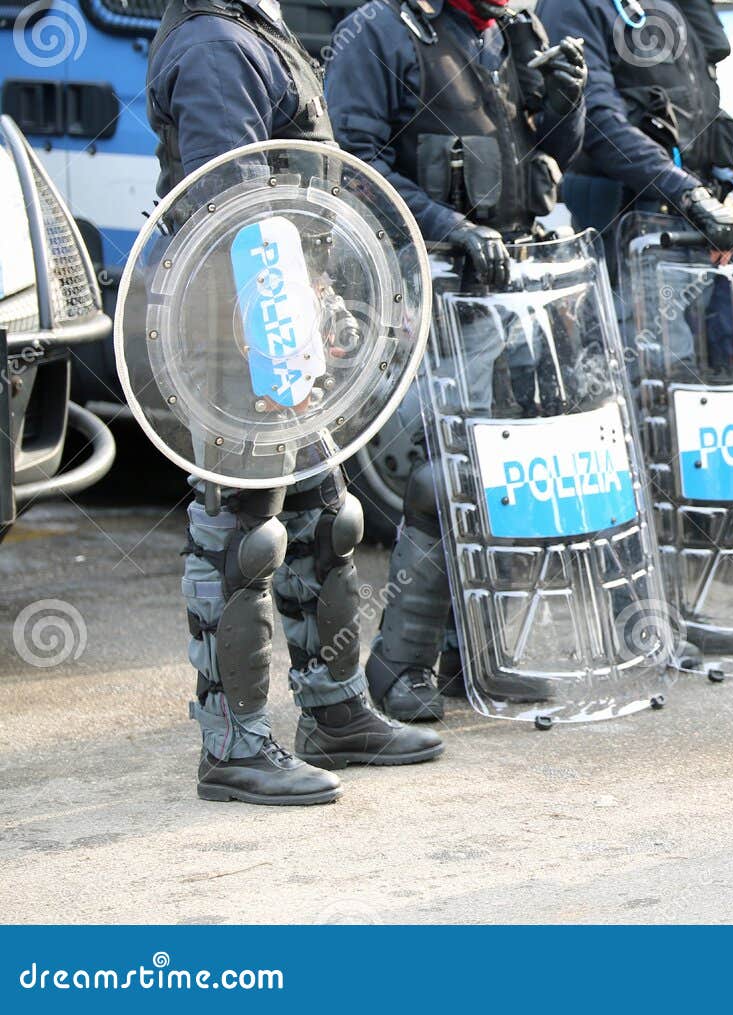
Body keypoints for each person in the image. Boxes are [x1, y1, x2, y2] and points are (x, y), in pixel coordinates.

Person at [146, 0, 443, 806]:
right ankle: (234, 749)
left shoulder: (248, 28)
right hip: (240, 321)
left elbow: (291, 186)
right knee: (242, 536)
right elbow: (237, 207)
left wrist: (317, 301)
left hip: (282, 310)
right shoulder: (216, 42)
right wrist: (287, 319)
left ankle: (336, 710)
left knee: (326, 520)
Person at [324, 0, 587, 721]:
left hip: (505, 294)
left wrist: (568, 107)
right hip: (425, 294)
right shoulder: (378, 34)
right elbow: (356, 171)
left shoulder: (500, 32)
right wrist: (450, 227)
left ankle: (469, 656)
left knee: (492, 475)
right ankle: (399, 666)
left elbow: (544, 156)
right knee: (440, 479)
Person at [540, 0, 733, 255]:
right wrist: (686, 192)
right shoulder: (570, 6)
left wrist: (704, 197)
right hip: (634, 222)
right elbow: (595, 119)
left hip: (695, 213)